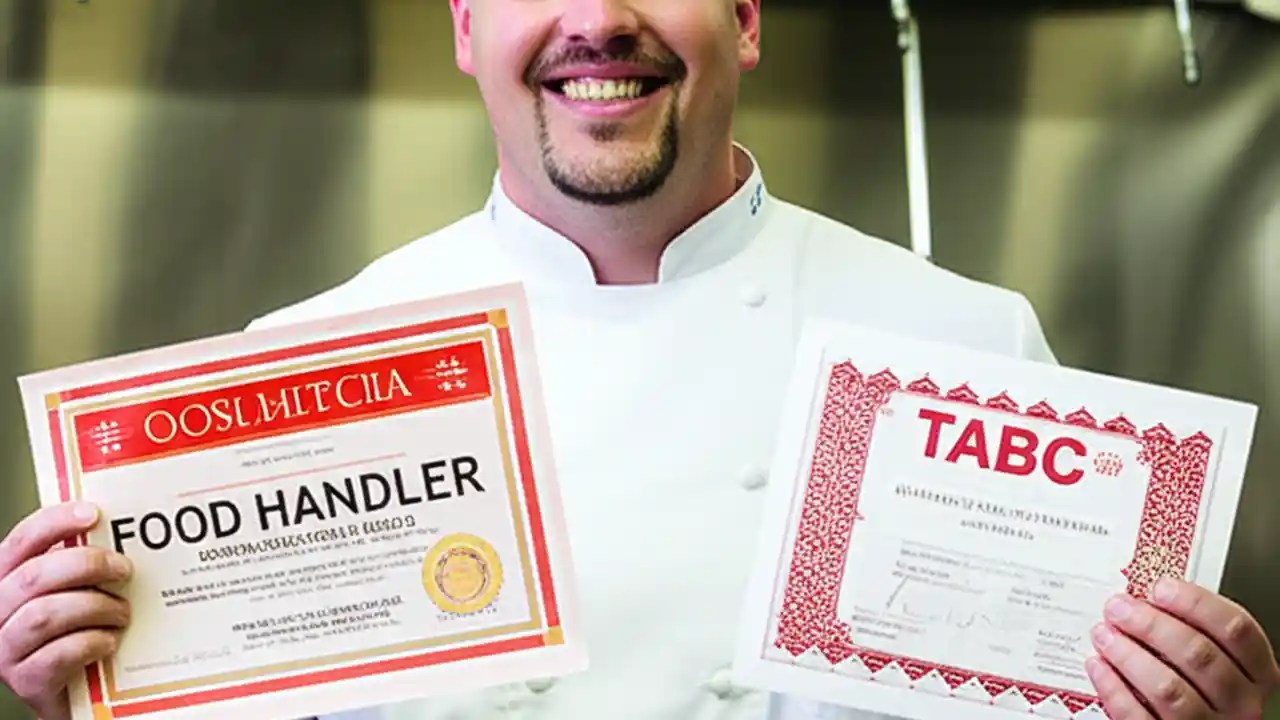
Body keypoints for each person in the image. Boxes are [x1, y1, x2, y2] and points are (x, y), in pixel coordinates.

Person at [2, 1, 1277, 719]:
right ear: (463, 28)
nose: (597, 21)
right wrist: (84, 688)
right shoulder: (292, 371)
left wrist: (1186, 711)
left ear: (744, 18)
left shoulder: (968, 343)